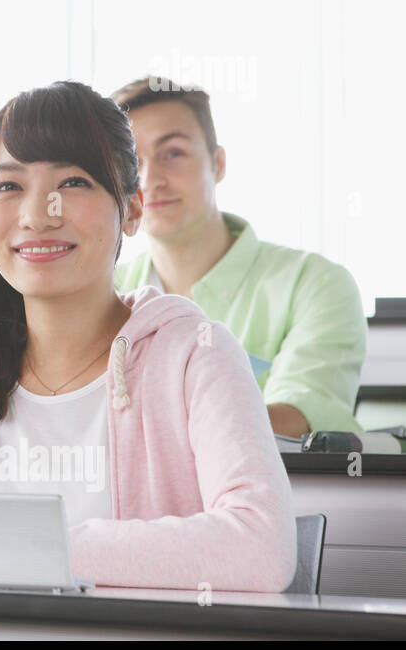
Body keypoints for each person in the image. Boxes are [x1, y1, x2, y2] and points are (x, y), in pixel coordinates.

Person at [0, 82, 296, 592]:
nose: (38, 214)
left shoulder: (195, 352)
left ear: (131, 210)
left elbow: (262, 547)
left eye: (73, 183)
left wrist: (19, 548)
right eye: (7, 187)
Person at [111, 77, 367, 437]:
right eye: (132, 163)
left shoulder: (315, 284)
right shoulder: (106, 292)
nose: (150, 179)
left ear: (218, 163)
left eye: (173, 153)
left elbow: (303, 418)